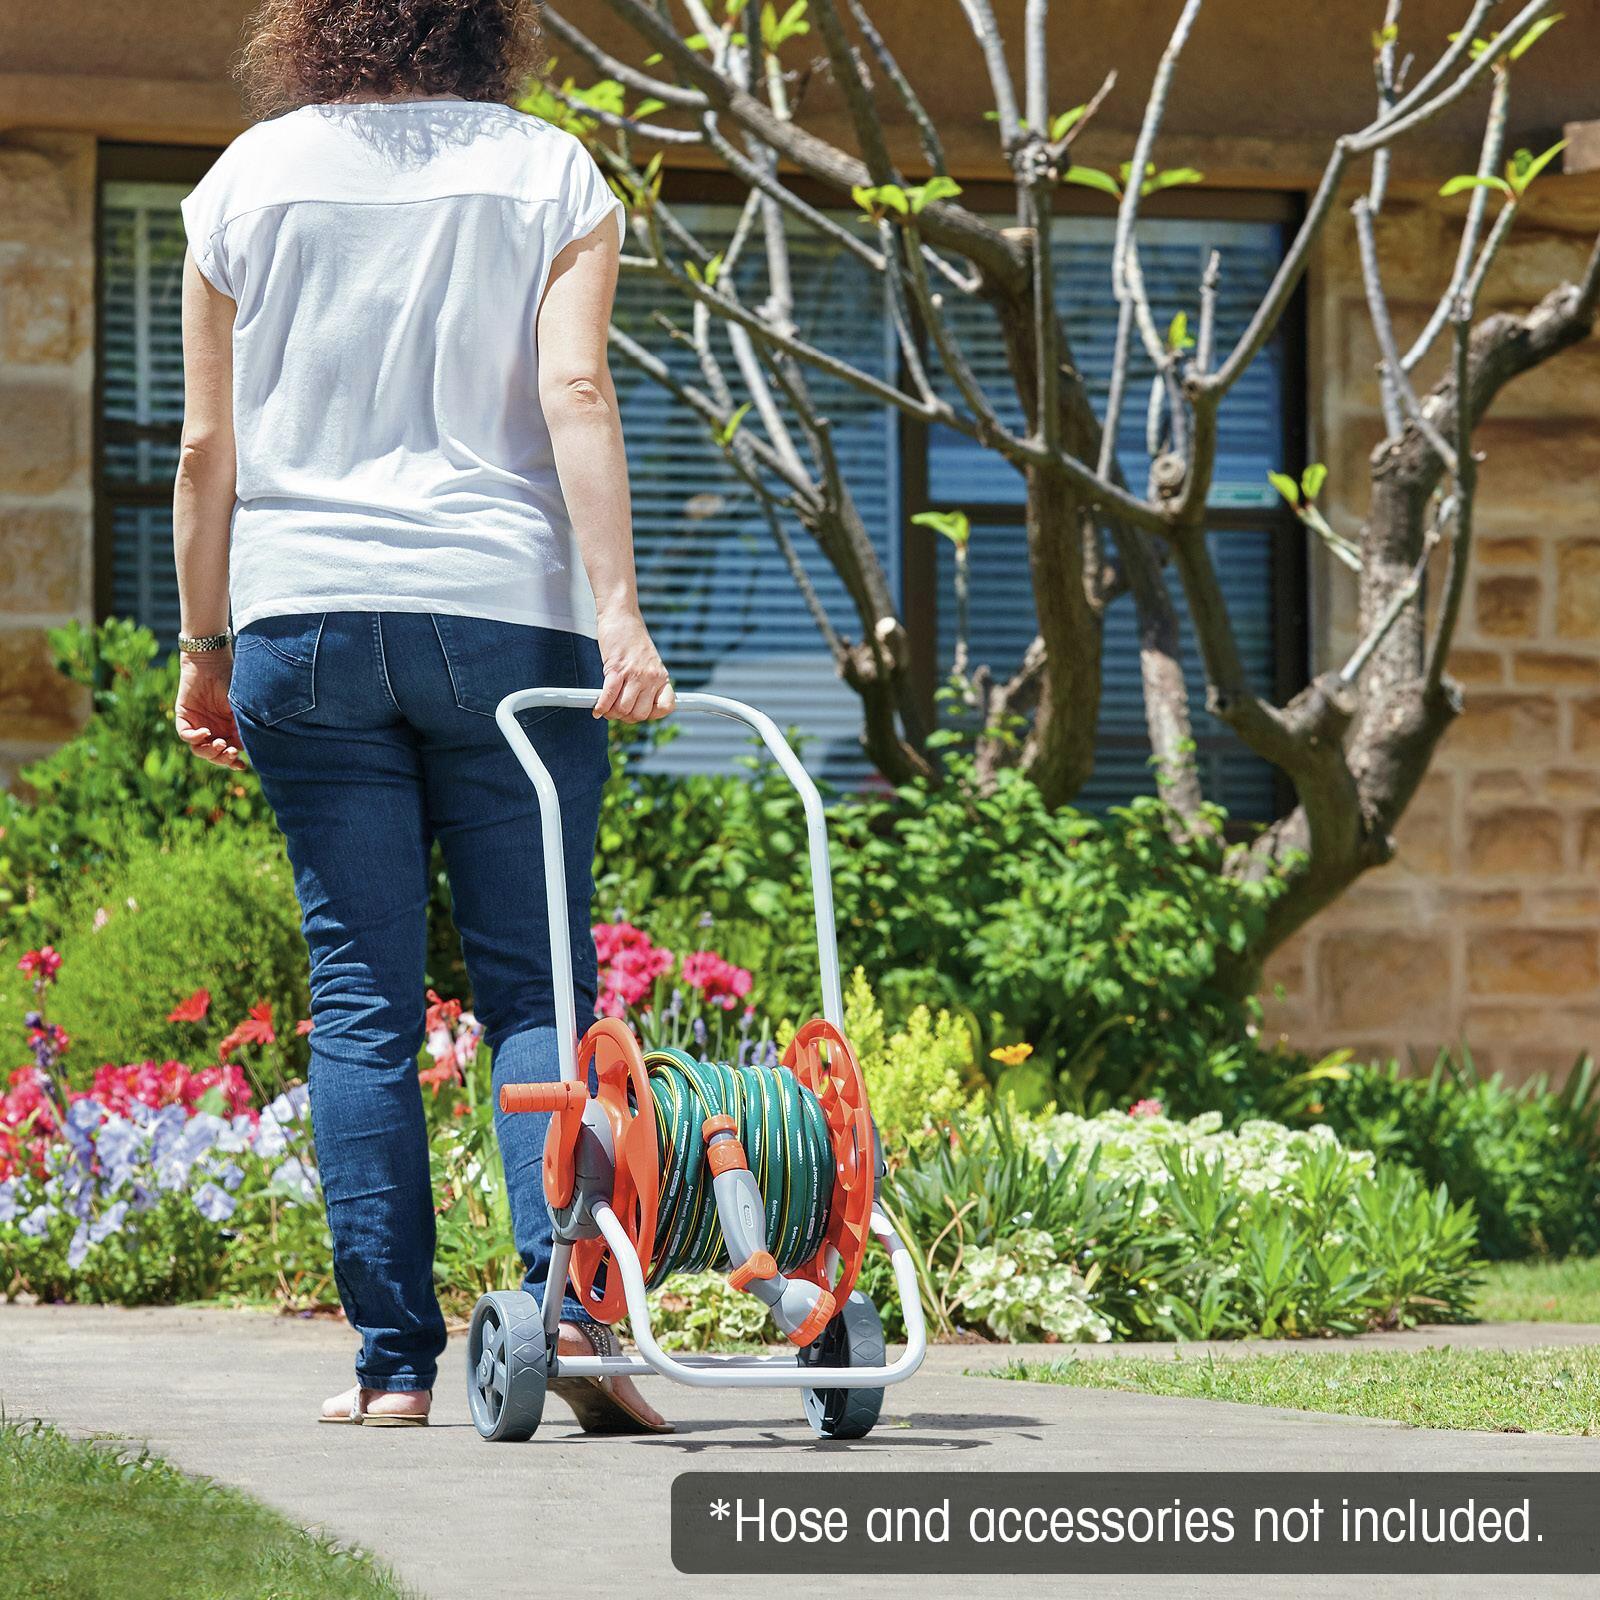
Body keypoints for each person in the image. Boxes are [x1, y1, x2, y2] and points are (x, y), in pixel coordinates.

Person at [171, 0, 672, 1431]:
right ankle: (569, 1328)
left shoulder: (245, 181)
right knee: (537, 989)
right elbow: (575, 388)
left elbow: (211, 446)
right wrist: (618, 608)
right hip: (504, 616)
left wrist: (205, 643)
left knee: (362, 1003)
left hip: (300, 619)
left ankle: (393, 1368)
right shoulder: (551, 171)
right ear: (482, 29)